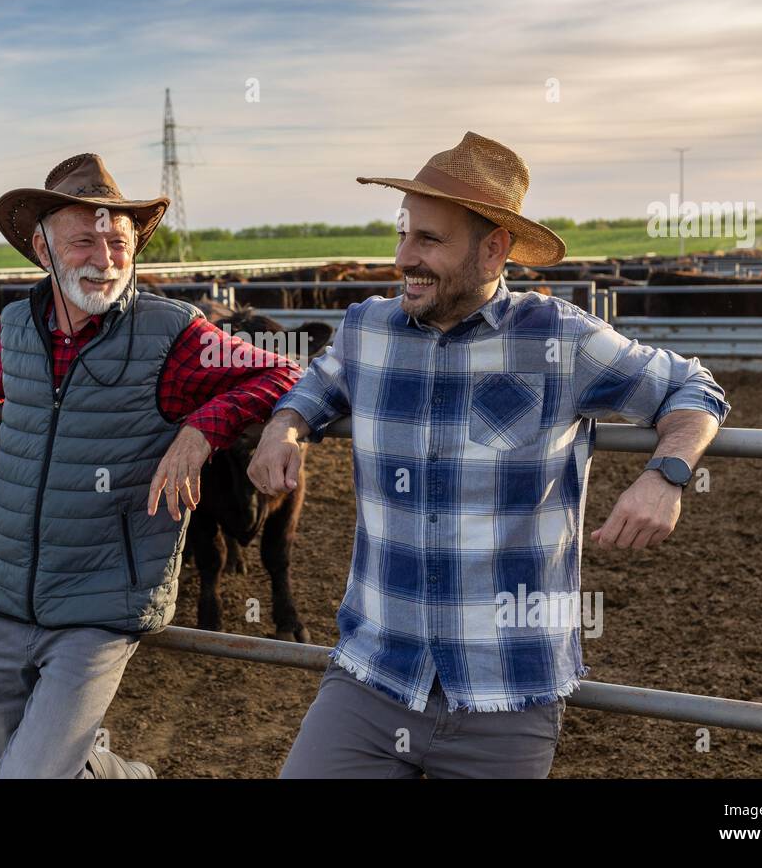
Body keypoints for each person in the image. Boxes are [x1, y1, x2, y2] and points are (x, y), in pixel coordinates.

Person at [248, 132, 732, 778]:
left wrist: (666, 474)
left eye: (428, 240)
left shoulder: (560, 337)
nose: (403, 257)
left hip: (505, 692)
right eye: (403, 233)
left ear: (494, 248)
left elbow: (694, 386)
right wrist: (284, 424)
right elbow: (316, 381)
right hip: (372, 677)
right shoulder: (369, 328)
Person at [0, 153, 299, 778]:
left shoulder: (174, 334)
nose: (105, 257)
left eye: (118, 240)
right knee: (9, 765)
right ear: (42, 247)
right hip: (5, 591)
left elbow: (283, 373)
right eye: (83, 239)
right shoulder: (18, 327)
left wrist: (203, 429)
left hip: (100, 603)